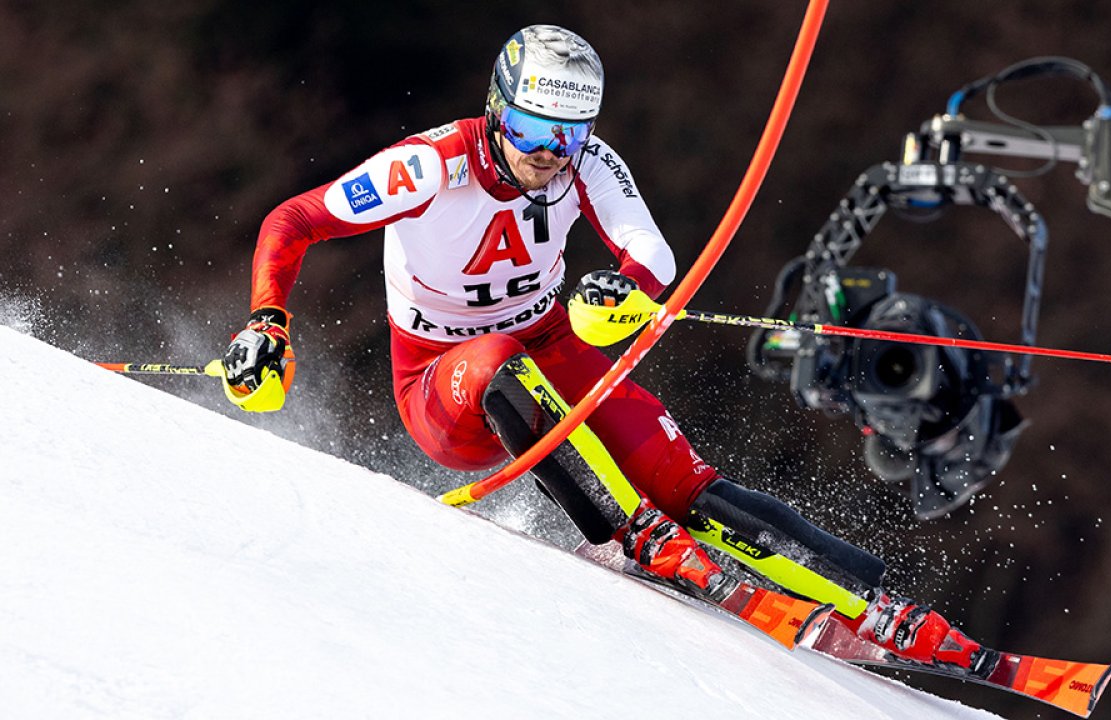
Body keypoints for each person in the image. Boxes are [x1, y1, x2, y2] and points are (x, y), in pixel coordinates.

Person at [220, 24, 988, 671]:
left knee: (679, 477)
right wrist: (268, 322)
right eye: (529, 131)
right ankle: (618, 537)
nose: (548, 154)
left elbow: (651, 255)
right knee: (495, 364)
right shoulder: (429, 167)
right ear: (497, 112)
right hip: (443, 384)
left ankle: (869, 604)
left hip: (551, 346)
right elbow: (292, 221)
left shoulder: (586, 165)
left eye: (567, 135)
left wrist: (624, 291)